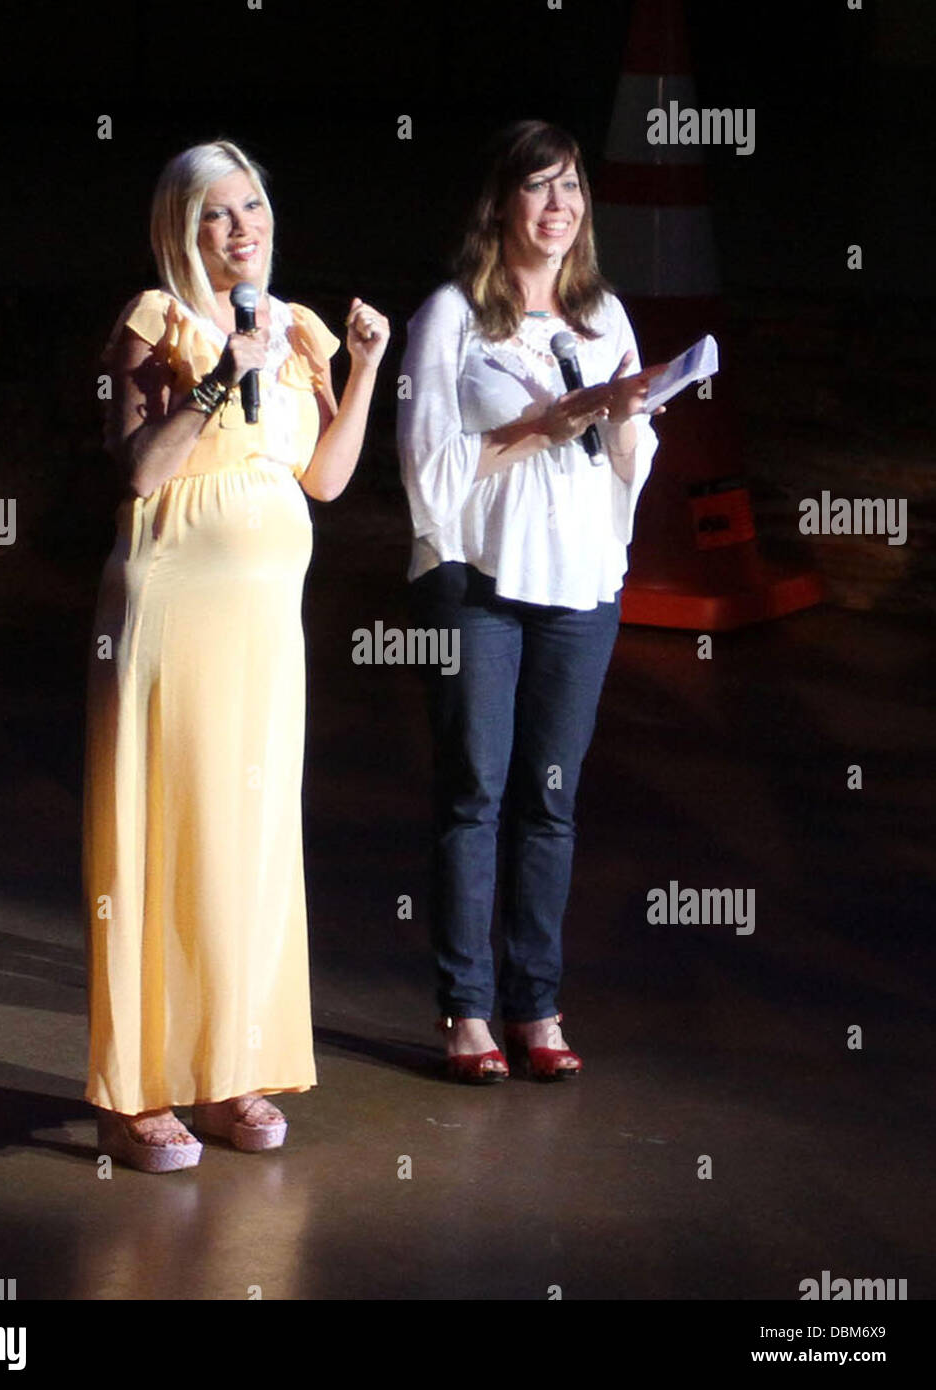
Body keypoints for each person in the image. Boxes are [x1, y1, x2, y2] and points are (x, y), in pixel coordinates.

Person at [83, 138, 389, 1169]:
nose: (242, 227)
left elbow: (325, 479)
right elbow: (138, 471)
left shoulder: (296, 329)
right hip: (171, 612)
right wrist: (219, 378)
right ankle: (137, 1094)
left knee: (247, 842)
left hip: (265, 630)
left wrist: (365, 367)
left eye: (252, 206)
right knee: (161, 833)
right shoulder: (151, 323)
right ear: (182, 229)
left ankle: (230, 1072)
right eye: (217, 213)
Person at [398, 120, 665, 1083]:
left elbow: (627, 476)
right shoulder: (450, 319)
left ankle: (535, 1006)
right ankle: (466, 1012)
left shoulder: (606, 321)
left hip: (580, 583)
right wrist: (538, 426)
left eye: (572, 190)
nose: (558, 207)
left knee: (550, 805)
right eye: (538, 189)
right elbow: (427, 477)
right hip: (477, 581)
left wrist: (627, 419)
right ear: (501, 204)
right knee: (473, 792)